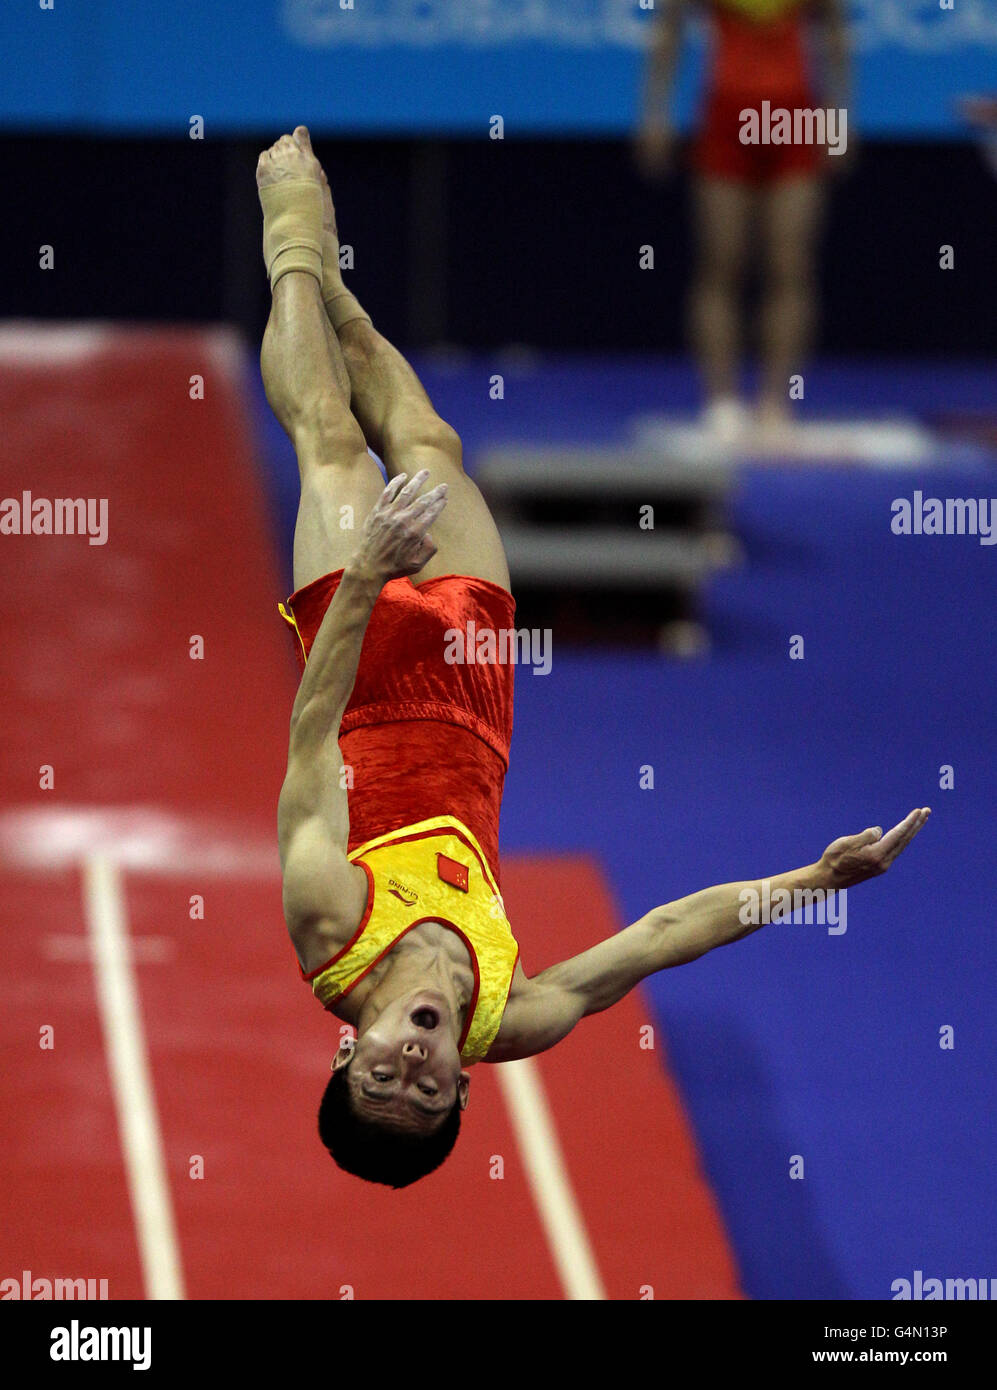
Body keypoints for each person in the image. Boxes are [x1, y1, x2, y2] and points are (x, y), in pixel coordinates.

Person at [259, 127, 930, 1189]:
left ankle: (293, 231)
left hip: (363, 668)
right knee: (432, 448)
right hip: (476, 688)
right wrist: (810, 880)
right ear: (463, 1088)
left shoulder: (329, 925)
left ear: (348, 1050)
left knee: (331, 443)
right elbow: (661, 935)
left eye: (381, 1075)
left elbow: (309, 732)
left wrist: (367, 573)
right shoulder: (513, 1014)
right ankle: (343, 300)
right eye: (427, 1092)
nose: (411, 1067)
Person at [638, 0, 852, 444]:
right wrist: (655, 114)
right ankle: (721, 402)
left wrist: (839, 119)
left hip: (796, 123)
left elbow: (834, 34)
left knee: (790, 266)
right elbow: (670, 29)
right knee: (721, 265)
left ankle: (777, 402)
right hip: (726, 122)